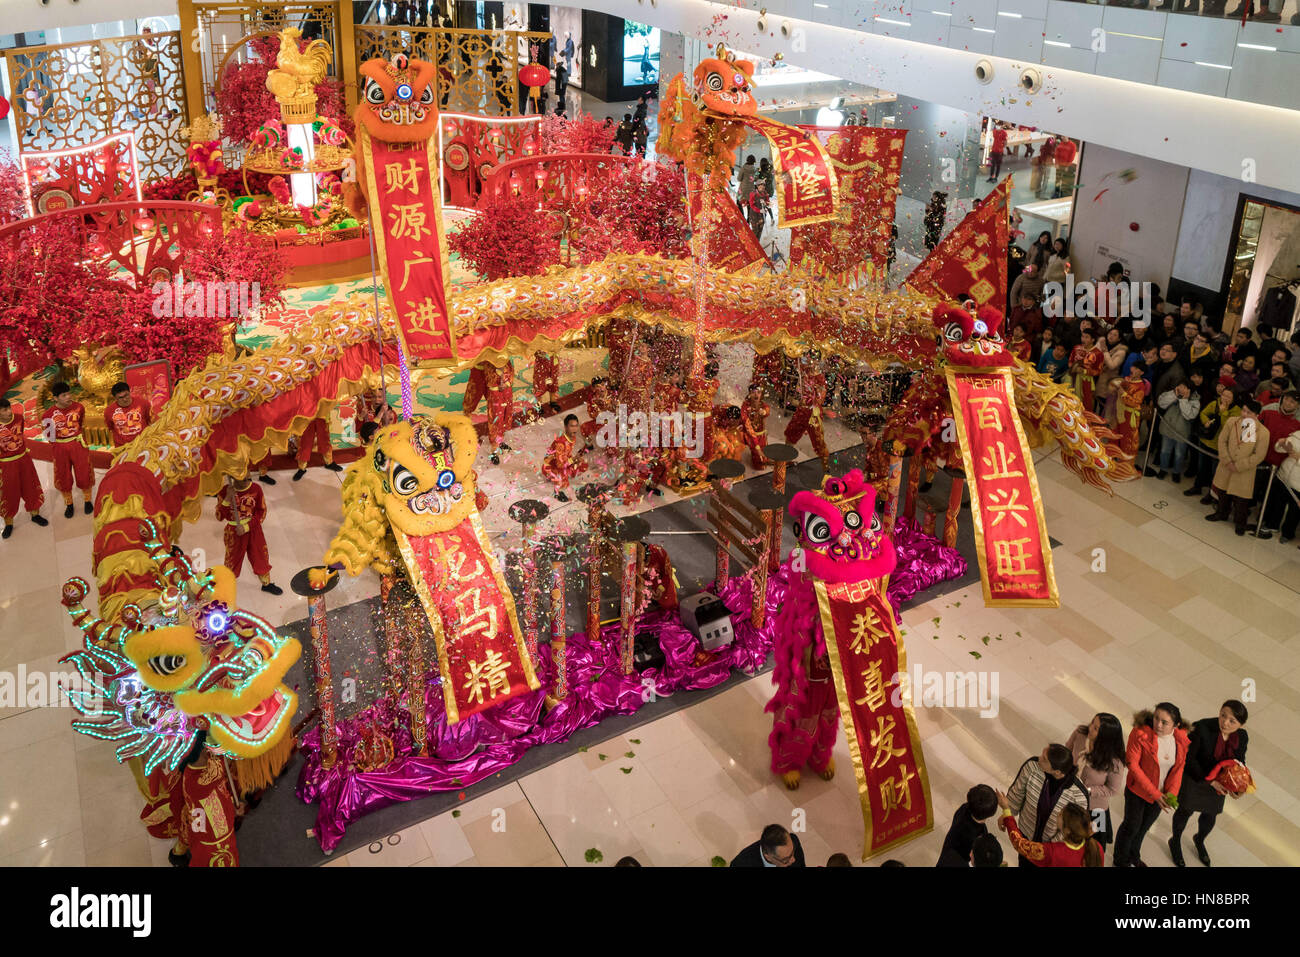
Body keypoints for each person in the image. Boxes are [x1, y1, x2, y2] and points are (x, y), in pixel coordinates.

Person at [1169, 700, 1249, 868]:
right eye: (1223, 715)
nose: (1225, 722)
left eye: (1232, 721)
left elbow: (1239, 761)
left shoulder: (1241, 737)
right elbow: (1188, 759)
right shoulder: (1202, 728)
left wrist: (1237, 784)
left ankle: (1199, 839)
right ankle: (1175, 840)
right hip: (1196, 777)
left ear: (1240, 725)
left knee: (1210, 816)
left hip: (1220, 782)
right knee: (1185, 812)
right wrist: (1210, 780)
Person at [1112, 703, 1190, 867]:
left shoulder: (1180, 741)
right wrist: (1155, 794)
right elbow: (1133, 765)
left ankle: (1134, 855)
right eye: (1156, 718)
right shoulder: (1141, 734)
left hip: (1160, 796)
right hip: (1138, 792)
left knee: (1143, 828)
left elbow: (1178, 769)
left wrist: (1171, 794)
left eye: (1164, 722)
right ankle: (1120, 860)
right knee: (1131, 826)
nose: (1158, 724)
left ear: (1176, 726)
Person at [1003, 743, 1090, 866]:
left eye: (1044, 759)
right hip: (1026, 835)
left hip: (1052, 852)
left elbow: (1072, 828)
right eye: (1042, 754)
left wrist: (1049, 848)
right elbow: (1016, 796)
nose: (1039, 758)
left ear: (1057, 772)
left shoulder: (1079, 795)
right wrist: (1007, 815)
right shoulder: (1031, 767)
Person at [1205, 399, 1270, 535]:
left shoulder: (1263, 432)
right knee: (1222, 492)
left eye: (1249, 412)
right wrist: (1227, 460)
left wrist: (1239, 466)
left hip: (1244, 471)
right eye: (1243, 410)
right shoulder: (1232, 421)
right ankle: (1221, 513)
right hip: (1226, 465)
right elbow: (1222, 441)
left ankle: (1240, 523)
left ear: (1257, 415)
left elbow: (1259, 455)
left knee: (1241, 500)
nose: (1244, 414)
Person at [1065, 713, 1128, 848]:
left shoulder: (1115, 761)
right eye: (1092, 723)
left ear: (1106, 737)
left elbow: (1112, 789)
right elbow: (1067, 751)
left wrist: (1087, 790)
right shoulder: (1080, 733)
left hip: (1096, 808)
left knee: (1095, 845)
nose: (1090, 728)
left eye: (1096, 728)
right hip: (1071, 797)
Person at [216, 475, 283, 594]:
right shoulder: (225, 491)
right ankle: (227, 585)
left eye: (248, 477)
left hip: (253, 529)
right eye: (243, 479)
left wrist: (246, 527)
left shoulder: (256, 489)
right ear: (233, 477)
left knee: (260, 556)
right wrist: (227, 499)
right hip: (234, 532)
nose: (247, 481)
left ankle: (266, 584)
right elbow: (220, 516)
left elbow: (261, 511)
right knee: (232, 561)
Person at [996, 798, 1104, 867]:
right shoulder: (1097, 848)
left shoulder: (1053, 852)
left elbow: (1020, 844)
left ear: (1067, 830)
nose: (1058, 813)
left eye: (1061, 814)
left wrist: (1006, 811)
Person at [42, 383, 95, 518]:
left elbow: (81, 423)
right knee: (63, 475)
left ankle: (87, 500)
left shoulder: (79, 407)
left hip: (77, 444)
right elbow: (50, 437)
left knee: (83, 472)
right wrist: (59, 447)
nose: (68, 397)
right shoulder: (48, 415)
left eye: (69, 393)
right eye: (64, 395)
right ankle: (69, 503)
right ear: (55, 398)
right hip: (60, 448)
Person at [1254, 389, 1300, 539]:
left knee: (1271, 496)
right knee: (1254, 489)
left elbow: (1289, 449)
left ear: (1297, 406)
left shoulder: (1296, 425)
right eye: (1286, 399)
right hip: (1259, 459)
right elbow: (1252, 429)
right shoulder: (1268, 412)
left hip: (1278, 467)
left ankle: (1267, 521)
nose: (1288, 403)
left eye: (1293, 402)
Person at [0, 397, 48, 538]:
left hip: (23, 458)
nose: (9, 412)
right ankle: (9, 523)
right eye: (4, 410)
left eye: (9, 408)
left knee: (30, 486)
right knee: (9, 492)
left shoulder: (19, 418)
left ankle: (35, 514)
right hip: (6, 463)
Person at [463, 360, 515, 464]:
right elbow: (491, 378)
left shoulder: (506, 362)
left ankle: (500, 441)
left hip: (505, 390)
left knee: (505, 415)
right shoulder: (490, 366)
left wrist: (507, 381)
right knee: (495, 417)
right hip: (493, 386)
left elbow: (510, 372)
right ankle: (494, 449)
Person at [1148, 381, 1200, 481]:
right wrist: (1174, 395)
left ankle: (1176, 472)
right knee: (1164, 451)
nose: (1181, 388)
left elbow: (1189, 415)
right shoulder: (1173, 393)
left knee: (1179, 454)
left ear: (1189, 390)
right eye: (1180, 386)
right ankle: (1163, 469)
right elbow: (1161, 403)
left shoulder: (1195, 400)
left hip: (1182, 432)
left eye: (1184, 387)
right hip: (1168, 428)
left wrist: (1184, 400)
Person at [784, 358, 830, 471]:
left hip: (813, 414)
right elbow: (795, 360)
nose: (811, 362)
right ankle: (786, 459)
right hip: (801, 411)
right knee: (791, 433)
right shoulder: (804, 370)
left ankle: (825, 467)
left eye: (814, 360)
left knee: (818, 440)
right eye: (809, 359)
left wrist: (812, 397)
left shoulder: (820, 378)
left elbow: (820, 398)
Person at [936, 784, 998, 866]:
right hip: (959, 861)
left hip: (948, 851)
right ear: (992, 813)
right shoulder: (978, 835)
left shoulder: (964, 808)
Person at [542, 414, 589, 501]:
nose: (574, 429)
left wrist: (575, 460)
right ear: (565, 427)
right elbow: (560, 465)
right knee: (562, 476)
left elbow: (567, 454)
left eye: (576, 426)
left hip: (563, 462)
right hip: (551, 467)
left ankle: (566, 474)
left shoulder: (573, 438)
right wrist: (573, 459)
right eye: (571, 426)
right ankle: (556, 491)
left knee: (583, 464)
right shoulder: (560, 443)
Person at [1111, 362, 1150, 458]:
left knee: (1127, 438)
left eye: (1136, 368)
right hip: (1120, 411)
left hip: (1129, 415)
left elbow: (1136, 402)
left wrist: (1123, 394)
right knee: (1115, 433)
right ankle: (1113, 454)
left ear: (1141, 372)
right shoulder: (1127, 379)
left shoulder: (1141, 386)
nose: (1132, 369)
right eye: (1133, 367)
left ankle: (1125, 461)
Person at [293, 406, 342, 480]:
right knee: (305, 441)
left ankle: (329, 462)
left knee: (324, 439)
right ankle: (301, 468)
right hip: (306, 412)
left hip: (322, 411)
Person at [730, 824, 806, 867]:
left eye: (792, 852)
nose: (793, 860)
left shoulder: (793, 840)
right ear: (768, 857)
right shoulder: (741, 864)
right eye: (786, 860)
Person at [1097, 327, 1130, 427]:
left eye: (1115, 335)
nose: (1111, 336)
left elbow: (1112, 365)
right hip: (1098, 379)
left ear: (1119, 338)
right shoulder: (1103, 344)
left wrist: (1105, 352)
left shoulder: (1121, 351)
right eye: (1110, 334)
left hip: (1108, 382)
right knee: (1097, 403)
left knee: (1105, 408)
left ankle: (1102, 428)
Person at [106, 381, 152, 447]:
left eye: (126, 395)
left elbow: (149, 420)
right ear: (115, 398)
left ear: (129, 392)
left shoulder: (143, 403)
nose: (125, 399)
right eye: (121, 397)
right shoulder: (109, 411)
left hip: (143, 444)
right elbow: (110, 427)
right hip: (122, 447)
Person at [740, 381, 771, 468]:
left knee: (765, 459)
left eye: (758, 392)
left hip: (761, 435)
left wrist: (764, 412)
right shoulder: (745, 406)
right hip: (750, 435)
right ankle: (753, 450)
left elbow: (767, 409)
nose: (756, 395)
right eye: (753, 392)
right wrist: (756, 447)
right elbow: (748, 427)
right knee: (759, 465)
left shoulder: (763, 405)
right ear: (749, 394)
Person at [532, 351, 561, 415]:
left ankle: (553, 401)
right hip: (541, 357)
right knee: (540, 381)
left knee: (553, 378)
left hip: (553, 356)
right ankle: (538, 404)